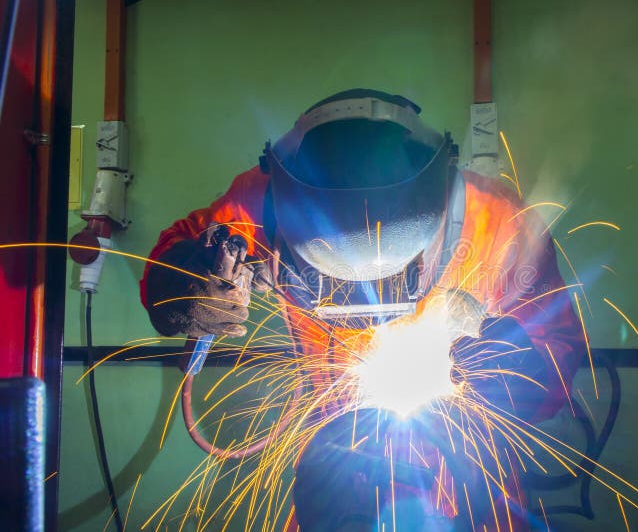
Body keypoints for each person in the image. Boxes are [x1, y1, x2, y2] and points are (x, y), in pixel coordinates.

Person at [141, 89, 582, 530]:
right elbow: (183, 244)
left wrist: (520, 369)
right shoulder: (266, 203)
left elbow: (559, 351)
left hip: (469, 486)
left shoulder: (495, 220)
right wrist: (180, 283)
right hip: (335, 477)